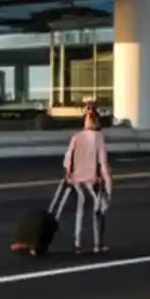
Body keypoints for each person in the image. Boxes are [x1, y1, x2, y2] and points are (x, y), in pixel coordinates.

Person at [62, 101, 112, 254]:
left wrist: (68, 174)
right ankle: (97, 244)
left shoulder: (76, 137)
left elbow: (67, 158)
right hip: (91, 179)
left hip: (76, 180)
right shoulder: (98, 137)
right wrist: (109, 186)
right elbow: (103, 163)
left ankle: (78, 243)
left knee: (80, 209)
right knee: (98, 211)